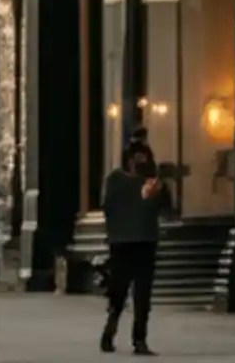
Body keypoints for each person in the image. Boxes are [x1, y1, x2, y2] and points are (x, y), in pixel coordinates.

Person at [100, 128, 167, 356]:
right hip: (122, 242)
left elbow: (164, 208)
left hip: (145, 241)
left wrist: (153, 195)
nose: (140, 163)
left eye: (143, 159)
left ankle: (139, 339)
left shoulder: (152, 181)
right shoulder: (116, 180)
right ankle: (110, 331)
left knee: (142, 294)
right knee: (119, 291)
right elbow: (108, 208)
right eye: (136, 159)